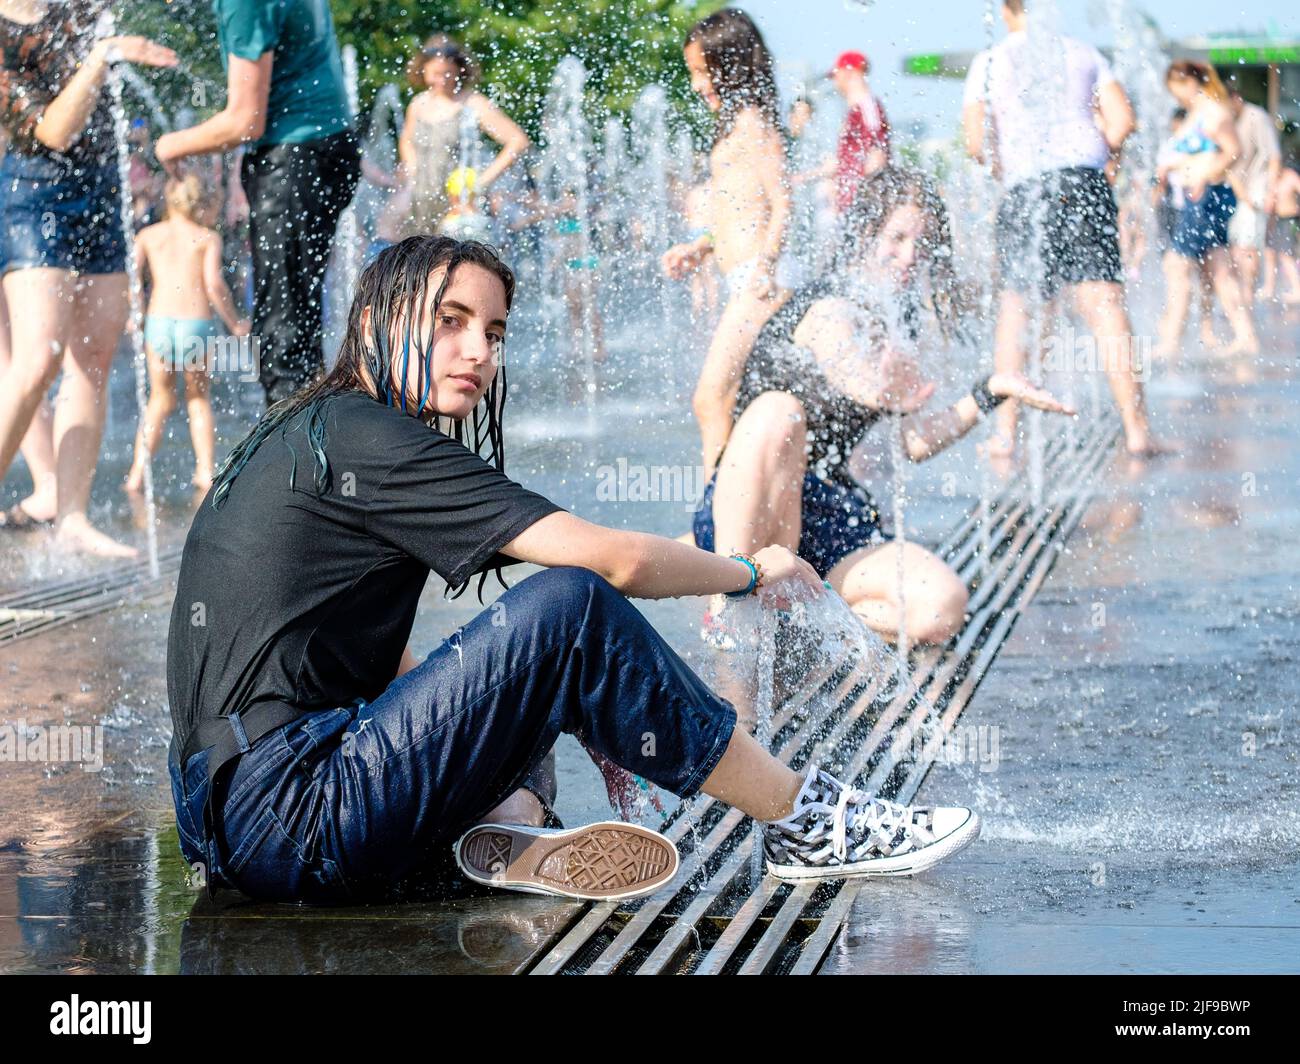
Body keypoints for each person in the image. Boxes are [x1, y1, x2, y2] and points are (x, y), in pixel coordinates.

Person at [165, 236, 981, 904]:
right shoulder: (366, 435)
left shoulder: (315, 428)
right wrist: (743, 569)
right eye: (450, 321)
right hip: (294, 809)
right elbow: (613, 561)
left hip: (232, 819)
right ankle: (805, 820)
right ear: (378, 317)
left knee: (511, 661)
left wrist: (595, 702)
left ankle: (509, 827)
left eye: (493, 332)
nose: (477, 351)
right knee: (567, 607)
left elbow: (387, 668)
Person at [693, 168, 1072, 650]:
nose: (911, 256)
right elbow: (838, 350)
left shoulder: (900, 320)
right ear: (864, 231)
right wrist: (881, 388)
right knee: (779, 410)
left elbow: (911, 442)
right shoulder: (821, 301)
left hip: (824, 514)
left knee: (941, 607)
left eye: (922, 241)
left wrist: (990, 392)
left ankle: (793, 611)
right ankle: (730, 601)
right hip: (750, 507)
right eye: (896, 237)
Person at [0, 0, 176, 555]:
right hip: (34, 190)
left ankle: (70, 515)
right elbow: (51, 131)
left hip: (102, 188)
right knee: (38, 357)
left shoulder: (78, 7)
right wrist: (101, 56)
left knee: (93, 359)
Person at [961, 0, 1157, 459]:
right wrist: (1095, 150)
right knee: (1104, 304)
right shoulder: (1083, 52)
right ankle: (1137, 431)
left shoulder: (988, 62)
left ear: (1007, 10)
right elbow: (1123, 120)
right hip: (1082, 181)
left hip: (1024, 187)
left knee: (1019, 309)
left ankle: (1005, 435)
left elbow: (975, 143)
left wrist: (1005, 168)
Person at [155, 0, 361, 406]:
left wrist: (170, 144)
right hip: (324, 146)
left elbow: (245, 120)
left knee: (282, 338)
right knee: (297, 326)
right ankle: (313, 446)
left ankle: (294, 461)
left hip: (295, 157)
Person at [661, 9, 791, 480]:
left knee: (710, 398)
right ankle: (738, 508)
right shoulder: (733, 128)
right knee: (736, 401)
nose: (697, 85)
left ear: (732, 65)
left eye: (702, 71)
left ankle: (714, 518)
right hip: (744, 281)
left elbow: (782, 204)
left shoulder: (755, 124)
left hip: (757, 283)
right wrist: (700, 248)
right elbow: (738, 214)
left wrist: (766, 265)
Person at [124, 175, 250, 495]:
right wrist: (235, 323)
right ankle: (205, 470)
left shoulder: (149, 235)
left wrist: (135, 316)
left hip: (159, 323)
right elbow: (214, 285)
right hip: (196, 325)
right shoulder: (207, 237)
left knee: (159, 399)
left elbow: (133, 280)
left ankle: (137, 474)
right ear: (199, 203)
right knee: (197, 399)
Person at [1155, 60, 1258, 357]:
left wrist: (1203, 175)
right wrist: (1169, 166)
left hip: (1208, 196)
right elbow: (1197, 151)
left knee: (1176, 265)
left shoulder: (1213, 112)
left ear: (1189, 83)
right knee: (1220, 270)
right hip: (1197, 196)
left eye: (1175, 90)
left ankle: (1171, 342)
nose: (1174, 97)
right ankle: (1245, 336)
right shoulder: (1197, 113)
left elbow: (1233, 151)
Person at [395, 34, 529, 240]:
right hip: (421, 201)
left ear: (460, 71)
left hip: (460, 205)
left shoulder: (473, 103)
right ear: (423, 71)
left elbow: (517, 141)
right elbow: (406, 140)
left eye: (448, 74)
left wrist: (481, 182)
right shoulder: (417, 104)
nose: (441, 80)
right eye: (435, 74)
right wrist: (412, 168)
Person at [1225, 87, 1281, 309]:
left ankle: (1246, 296)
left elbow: (1274, 156)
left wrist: (1270, 192)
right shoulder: (1226, 120)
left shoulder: (1255, 116)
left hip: (1256, 190)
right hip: (1234, 191)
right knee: (1233, 246)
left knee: (1247, 246)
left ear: (1236, 98)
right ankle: (1239, 295)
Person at [1263, 164, 1300, 304]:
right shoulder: (1270, 180)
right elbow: (1267, 206)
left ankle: (1297, 289)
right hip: (1274, 219)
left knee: (1286, 255)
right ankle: (1269, 288)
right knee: (1269, 253)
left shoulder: (1290, 176)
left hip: (1289, 219)